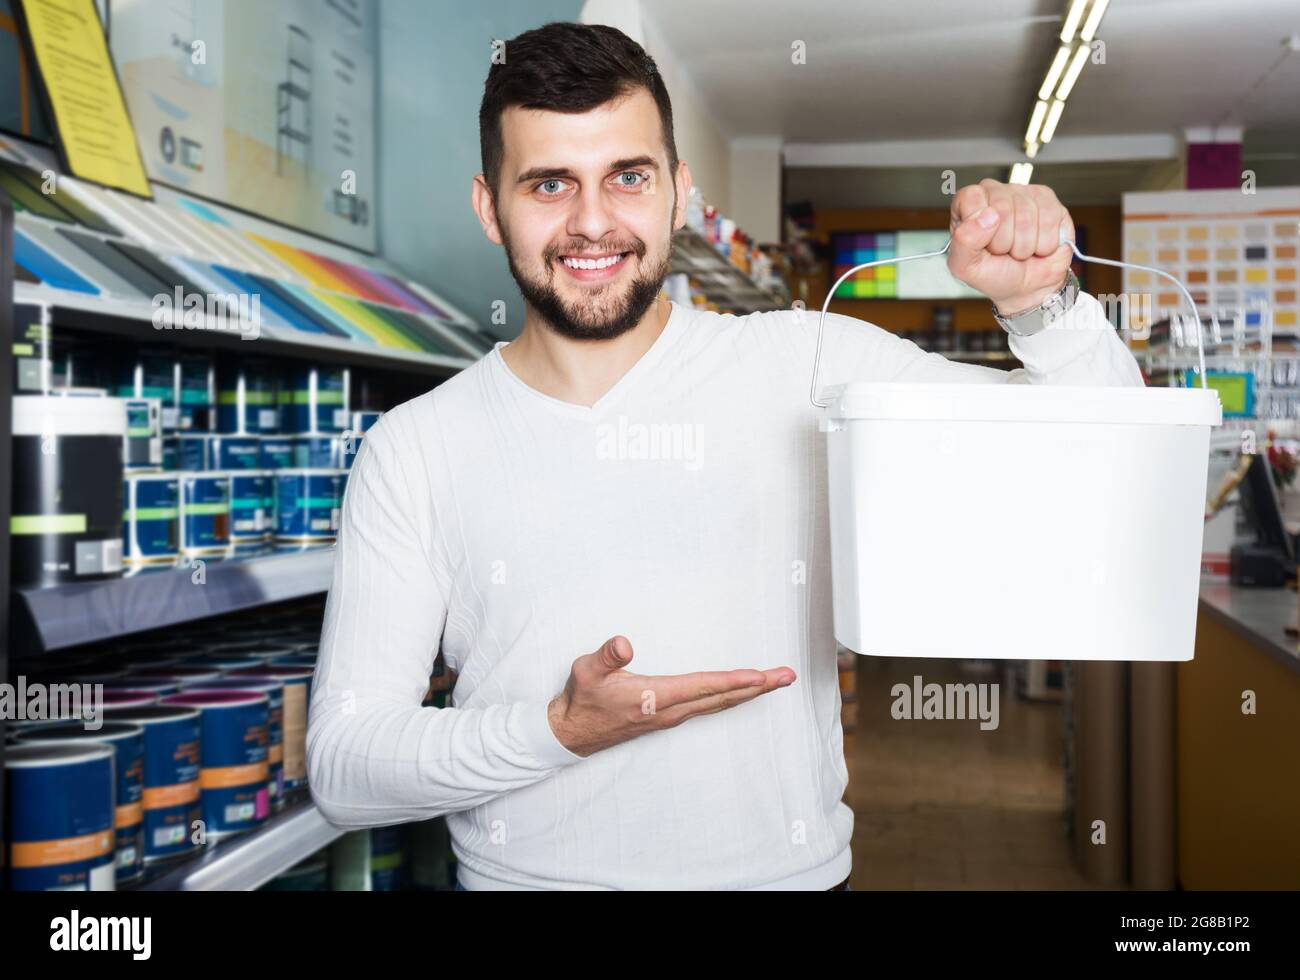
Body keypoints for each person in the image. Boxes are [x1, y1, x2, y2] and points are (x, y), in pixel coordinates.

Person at [306, 21, 1142, 891]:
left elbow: (1109, 477)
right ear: (490, 207)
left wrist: (1046, 301)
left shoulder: (810, 363)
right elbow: (343, 767)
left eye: (628, 177)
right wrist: (557, 730)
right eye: (549, 183)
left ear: (677, 192)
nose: (593, 224)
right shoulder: (414, 448)